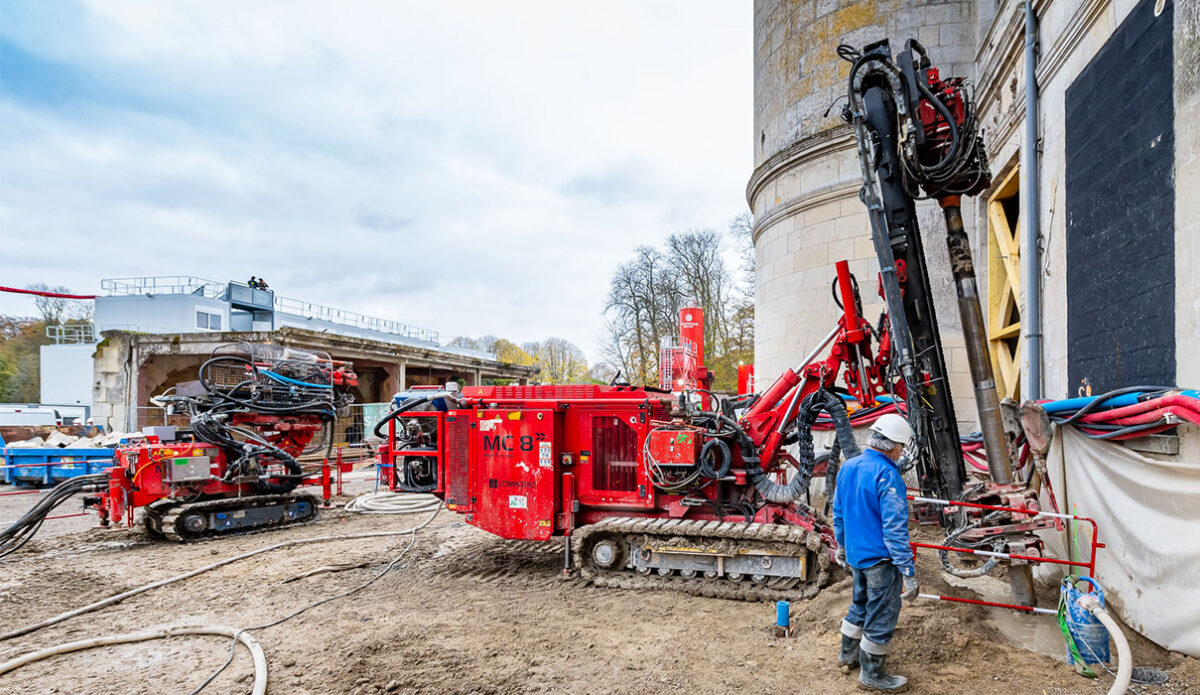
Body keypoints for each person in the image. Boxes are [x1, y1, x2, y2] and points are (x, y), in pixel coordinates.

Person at [832, 412, 918, 692]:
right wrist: (908, 572)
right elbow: (894, 530)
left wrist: (841, 546)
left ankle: (848, 656)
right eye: (901, 448)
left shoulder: (849, 466)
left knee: (859, 604)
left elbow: (838, 513)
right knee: (882, 615)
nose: (900, 453)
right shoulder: (888, 475)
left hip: (857, 556)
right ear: (894, 447)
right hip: (881, 561)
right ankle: (873, 674)